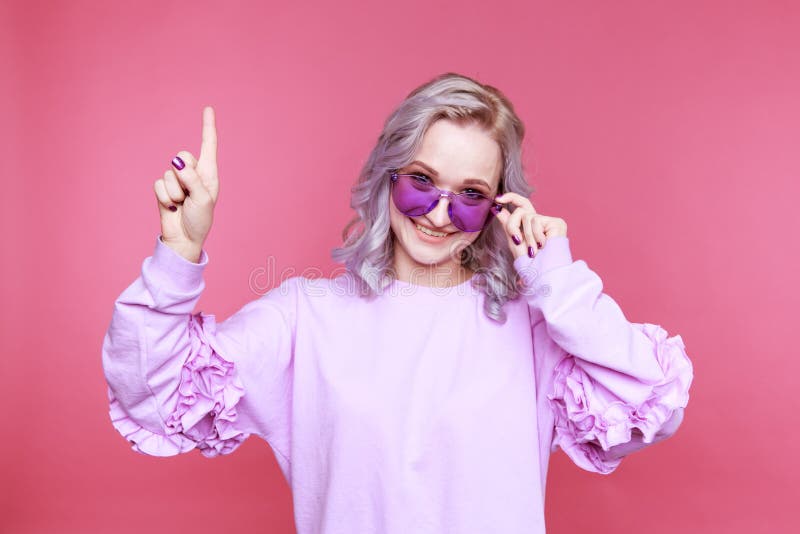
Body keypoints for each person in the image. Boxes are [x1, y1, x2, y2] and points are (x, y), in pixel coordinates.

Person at [102, 72, 693, 533]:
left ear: (498, 207)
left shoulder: (535, 332)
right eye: (421, 182)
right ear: (388, 175)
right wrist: (179, 251)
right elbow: (155, 395)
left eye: (470, 194)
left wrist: (555, 280)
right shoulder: (305, 318)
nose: (439, 214)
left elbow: (653, 406)